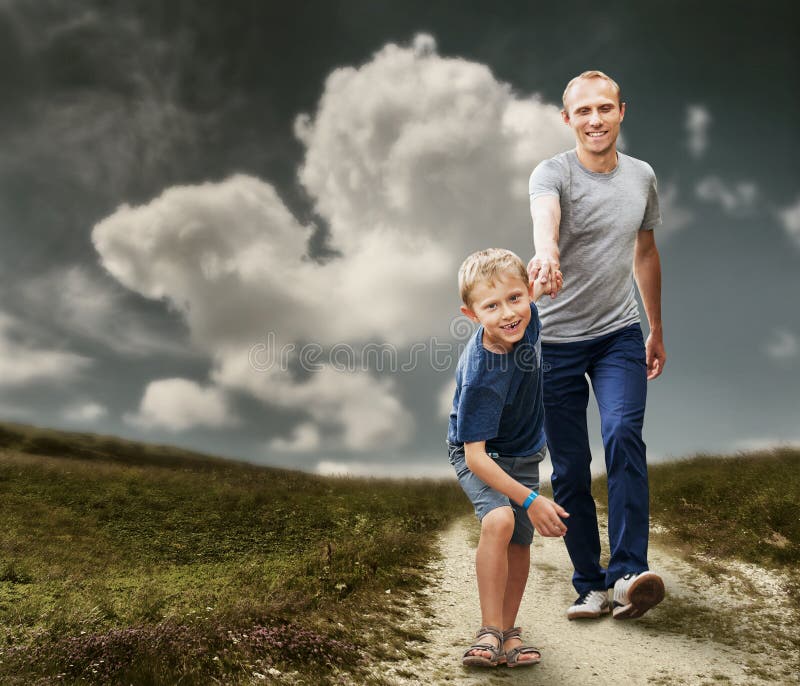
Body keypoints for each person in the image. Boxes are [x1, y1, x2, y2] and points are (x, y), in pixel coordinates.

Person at [528, 70, 666, 621]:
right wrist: (548, 253)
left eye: (604, 109)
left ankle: (630, 572)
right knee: (569, 465)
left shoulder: (642, 176)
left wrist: (656, 326)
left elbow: (647, 252)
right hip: (555, 342)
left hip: (618, 335)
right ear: (568, 119)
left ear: (621, 112)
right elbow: (546, 217)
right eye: (583, 111)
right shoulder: (552, 173)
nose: (594, 120)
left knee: (622, 433)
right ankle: (590, 583)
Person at [446, 248, 568, 668]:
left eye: (515, 299)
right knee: (500, 520)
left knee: (520, 540)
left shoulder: (526, 320)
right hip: (482, 454)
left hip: (524, 452)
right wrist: (532, 501)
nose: (508, 314)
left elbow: (534, 285)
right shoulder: (483, 373)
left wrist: (544, 271)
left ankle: (510, 633)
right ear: (471, 314)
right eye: (491, 306)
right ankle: (489, 630)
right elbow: (475, 458)